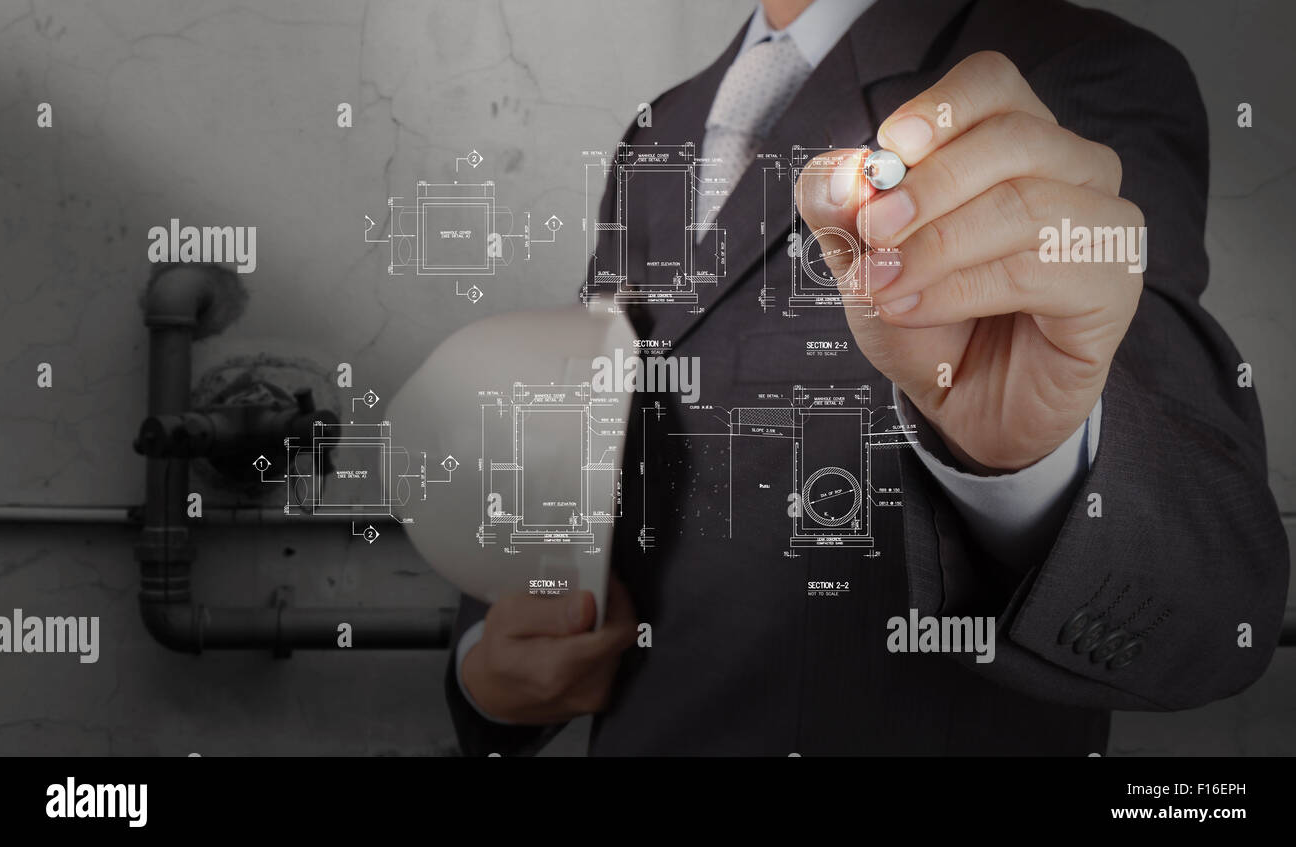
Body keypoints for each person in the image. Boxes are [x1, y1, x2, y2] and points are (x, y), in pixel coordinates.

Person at [444, 0, 1289, 755]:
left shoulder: (1074, 67)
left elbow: (1216, 606)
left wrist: (1034, 463)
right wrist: (487, 657)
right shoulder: (660, 128)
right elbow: (579, 420)